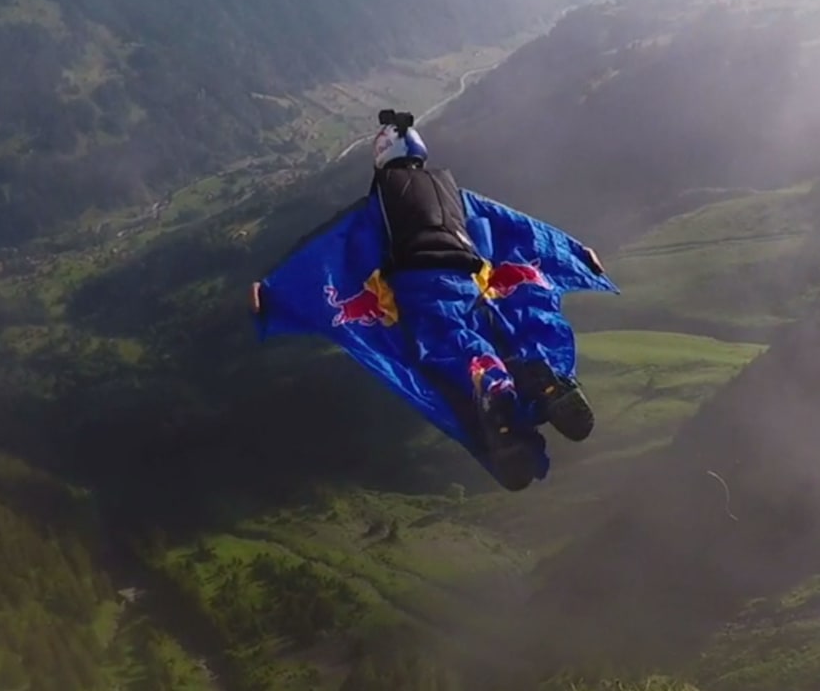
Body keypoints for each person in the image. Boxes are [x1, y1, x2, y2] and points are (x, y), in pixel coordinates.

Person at [250, 109, 617, 491]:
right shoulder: (454, 192)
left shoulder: (378, 205)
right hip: (471, 279)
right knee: (496, 329)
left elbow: (327, 244)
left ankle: (496, 390)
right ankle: (535, 371)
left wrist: (274, 289)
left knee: (453, 345)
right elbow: (519, 225)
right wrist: (576, 252)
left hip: (421, 286)